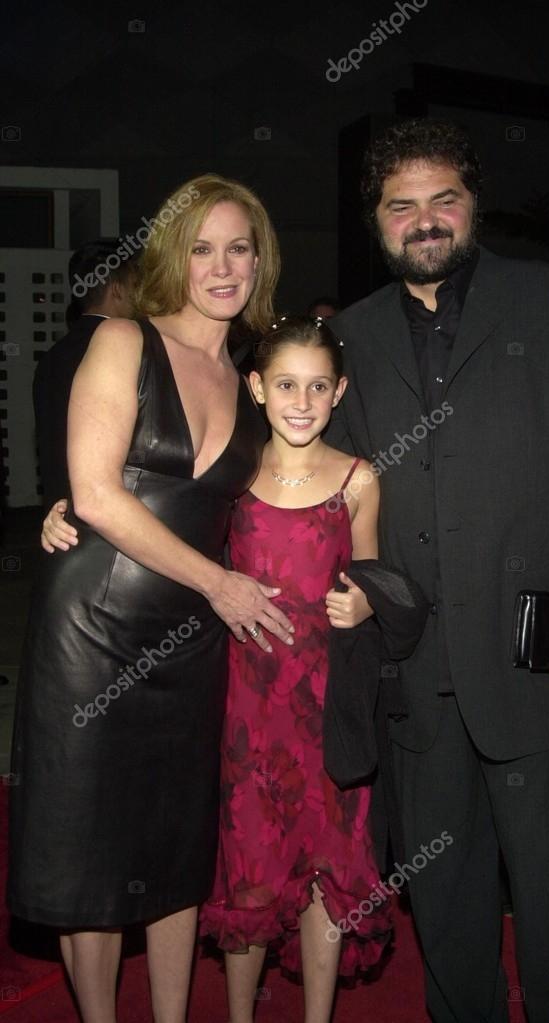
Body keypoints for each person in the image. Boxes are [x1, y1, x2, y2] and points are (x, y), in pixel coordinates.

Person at [326, 119, 549, 1023]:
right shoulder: (349, 335)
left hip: (536, 654)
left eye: (443, 200)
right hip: (411, 667)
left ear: (473, 206)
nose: (424, 220)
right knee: (446, 897)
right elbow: (314, 475)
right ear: (375, 222)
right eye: (402, 206)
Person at [43, 316, 397, 1023]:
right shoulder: (235, 479)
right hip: (239, 701)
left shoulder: (360, 481)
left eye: (318, 386)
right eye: (286, 384)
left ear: (340, 392)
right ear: (257, 388)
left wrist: (367, 604)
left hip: (324, 704)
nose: (301, 401)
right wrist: (66, 509)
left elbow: (370, 576)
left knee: (329, 859)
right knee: (251, 865)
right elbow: (144, 508)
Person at [7, 173, 294, 1023]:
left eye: (238, 247)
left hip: (194, 639)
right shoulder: (122, 340)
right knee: (85, 842)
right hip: (91, 628)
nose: (220, 265)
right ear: (173, 255)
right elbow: (94, 493)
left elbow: (279, 490)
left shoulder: (251, 376)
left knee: (178, 841)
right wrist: (219, 583)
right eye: (201, 246)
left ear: (258, 260)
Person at [33, 238, 138, 509]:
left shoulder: (52, 357)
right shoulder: (126, 353)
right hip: (111, 514)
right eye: (135, 286)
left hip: (60, 513)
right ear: (117, 290)